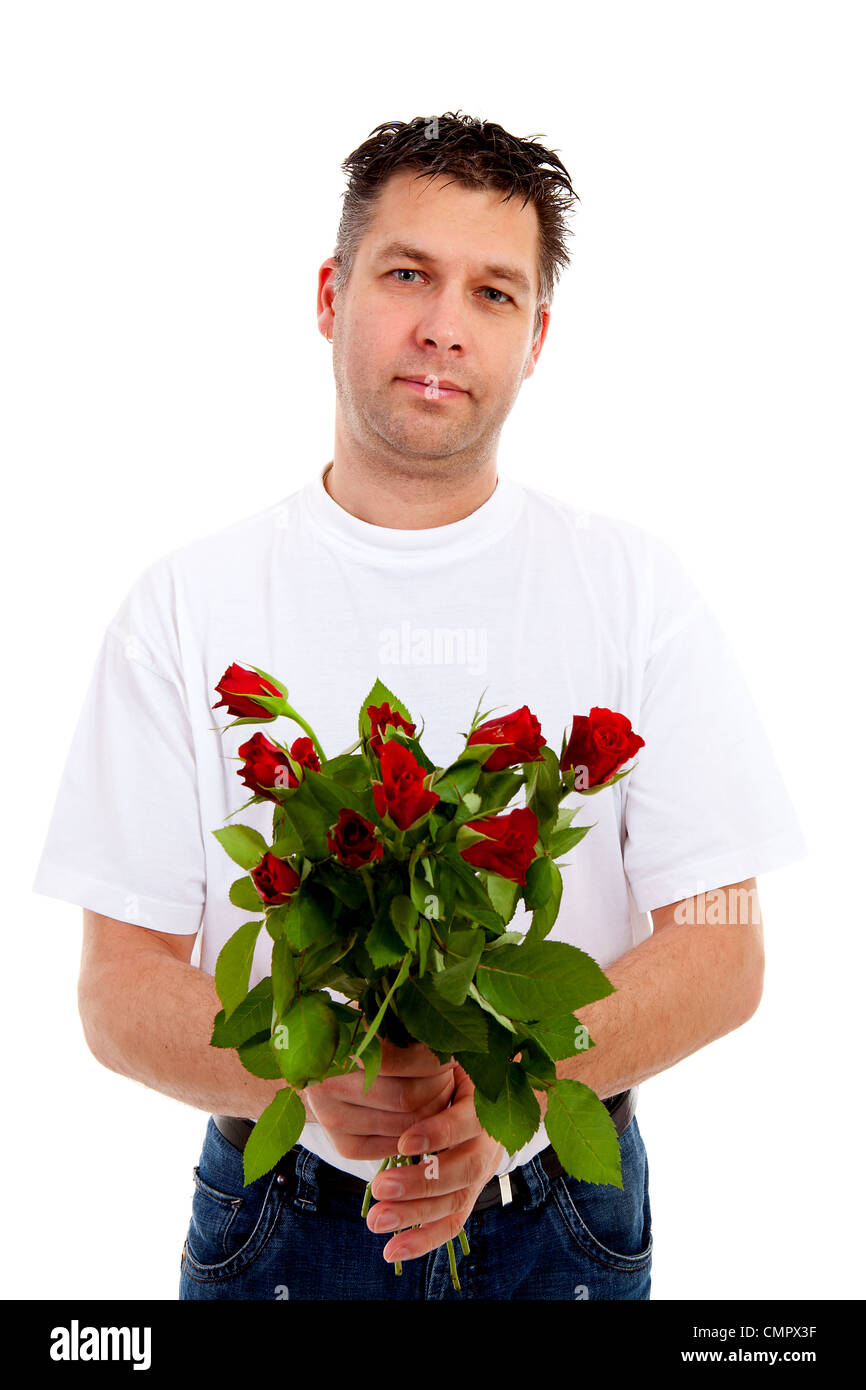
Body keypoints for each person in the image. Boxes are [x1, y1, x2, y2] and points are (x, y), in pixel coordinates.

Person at [32, 111, 807, 1301]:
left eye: (493, 292)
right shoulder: (183, 605)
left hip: (558, 1212)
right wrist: (306, 1075)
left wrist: (511, 1095)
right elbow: (118, 980)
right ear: (332, 292)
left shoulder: (633, 588)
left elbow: (720, 942)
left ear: (535, 336)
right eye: (408, 274)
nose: (444, 324)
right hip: (279, 1211)